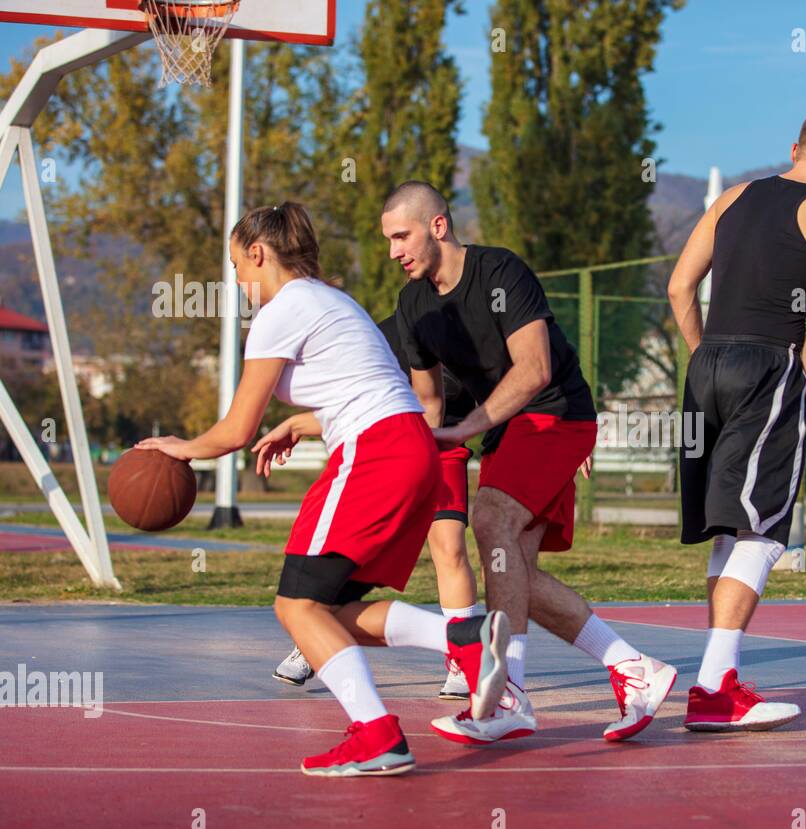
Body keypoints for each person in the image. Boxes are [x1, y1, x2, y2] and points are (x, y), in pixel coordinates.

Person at [138, 202, 510, 776]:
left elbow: (236, 429)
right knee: (331, 611)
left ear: (258, 254)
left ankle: (378, 733)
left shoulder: (282, 310)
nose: (238, 280)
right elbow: (360, 386)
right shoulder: (332, 299)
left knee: (294, 605)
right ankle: (464, 635)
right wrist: (301, 423)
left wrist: (180, 447)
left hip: (375, 454)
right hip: (409, 448)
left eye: (238, 266)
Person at [381, 181, 677, 745]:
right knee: (510, 566)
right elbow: (428, 403)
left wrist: (469, 427)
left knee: (490, 521)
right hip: (506, 431)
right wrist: (416, 446)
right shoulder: (413, 305)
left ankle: (508, 694)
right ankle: (632, 667)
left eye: (402, 235)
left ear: (438, 226)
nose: (394, 250)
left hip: (556, 413)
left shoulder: (501, 273)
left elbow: (536, 368)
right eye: (388, 240)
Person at [667, 108, 806, 731]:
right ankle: (715, 690)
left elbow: (678, 288)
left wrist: (706, 358)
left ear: (795, 147)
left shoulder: (732, 197)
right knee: (763, 528)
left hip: (710, 361)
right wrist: (798, 384)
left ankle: (713, 684)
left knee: (730, 524)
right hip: (771, 363)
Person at [273, 326, 481, 702]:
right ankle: (315, 630)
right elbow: (359, 400)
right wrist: (299, 423)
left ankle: (463, 654)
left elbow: (522, 380)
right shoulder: (389, 327)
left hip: (443, 444)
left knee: (449, 548)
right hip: (386, 446)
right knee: (348, 550)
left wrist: (574, 433)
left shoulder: (478, 321)